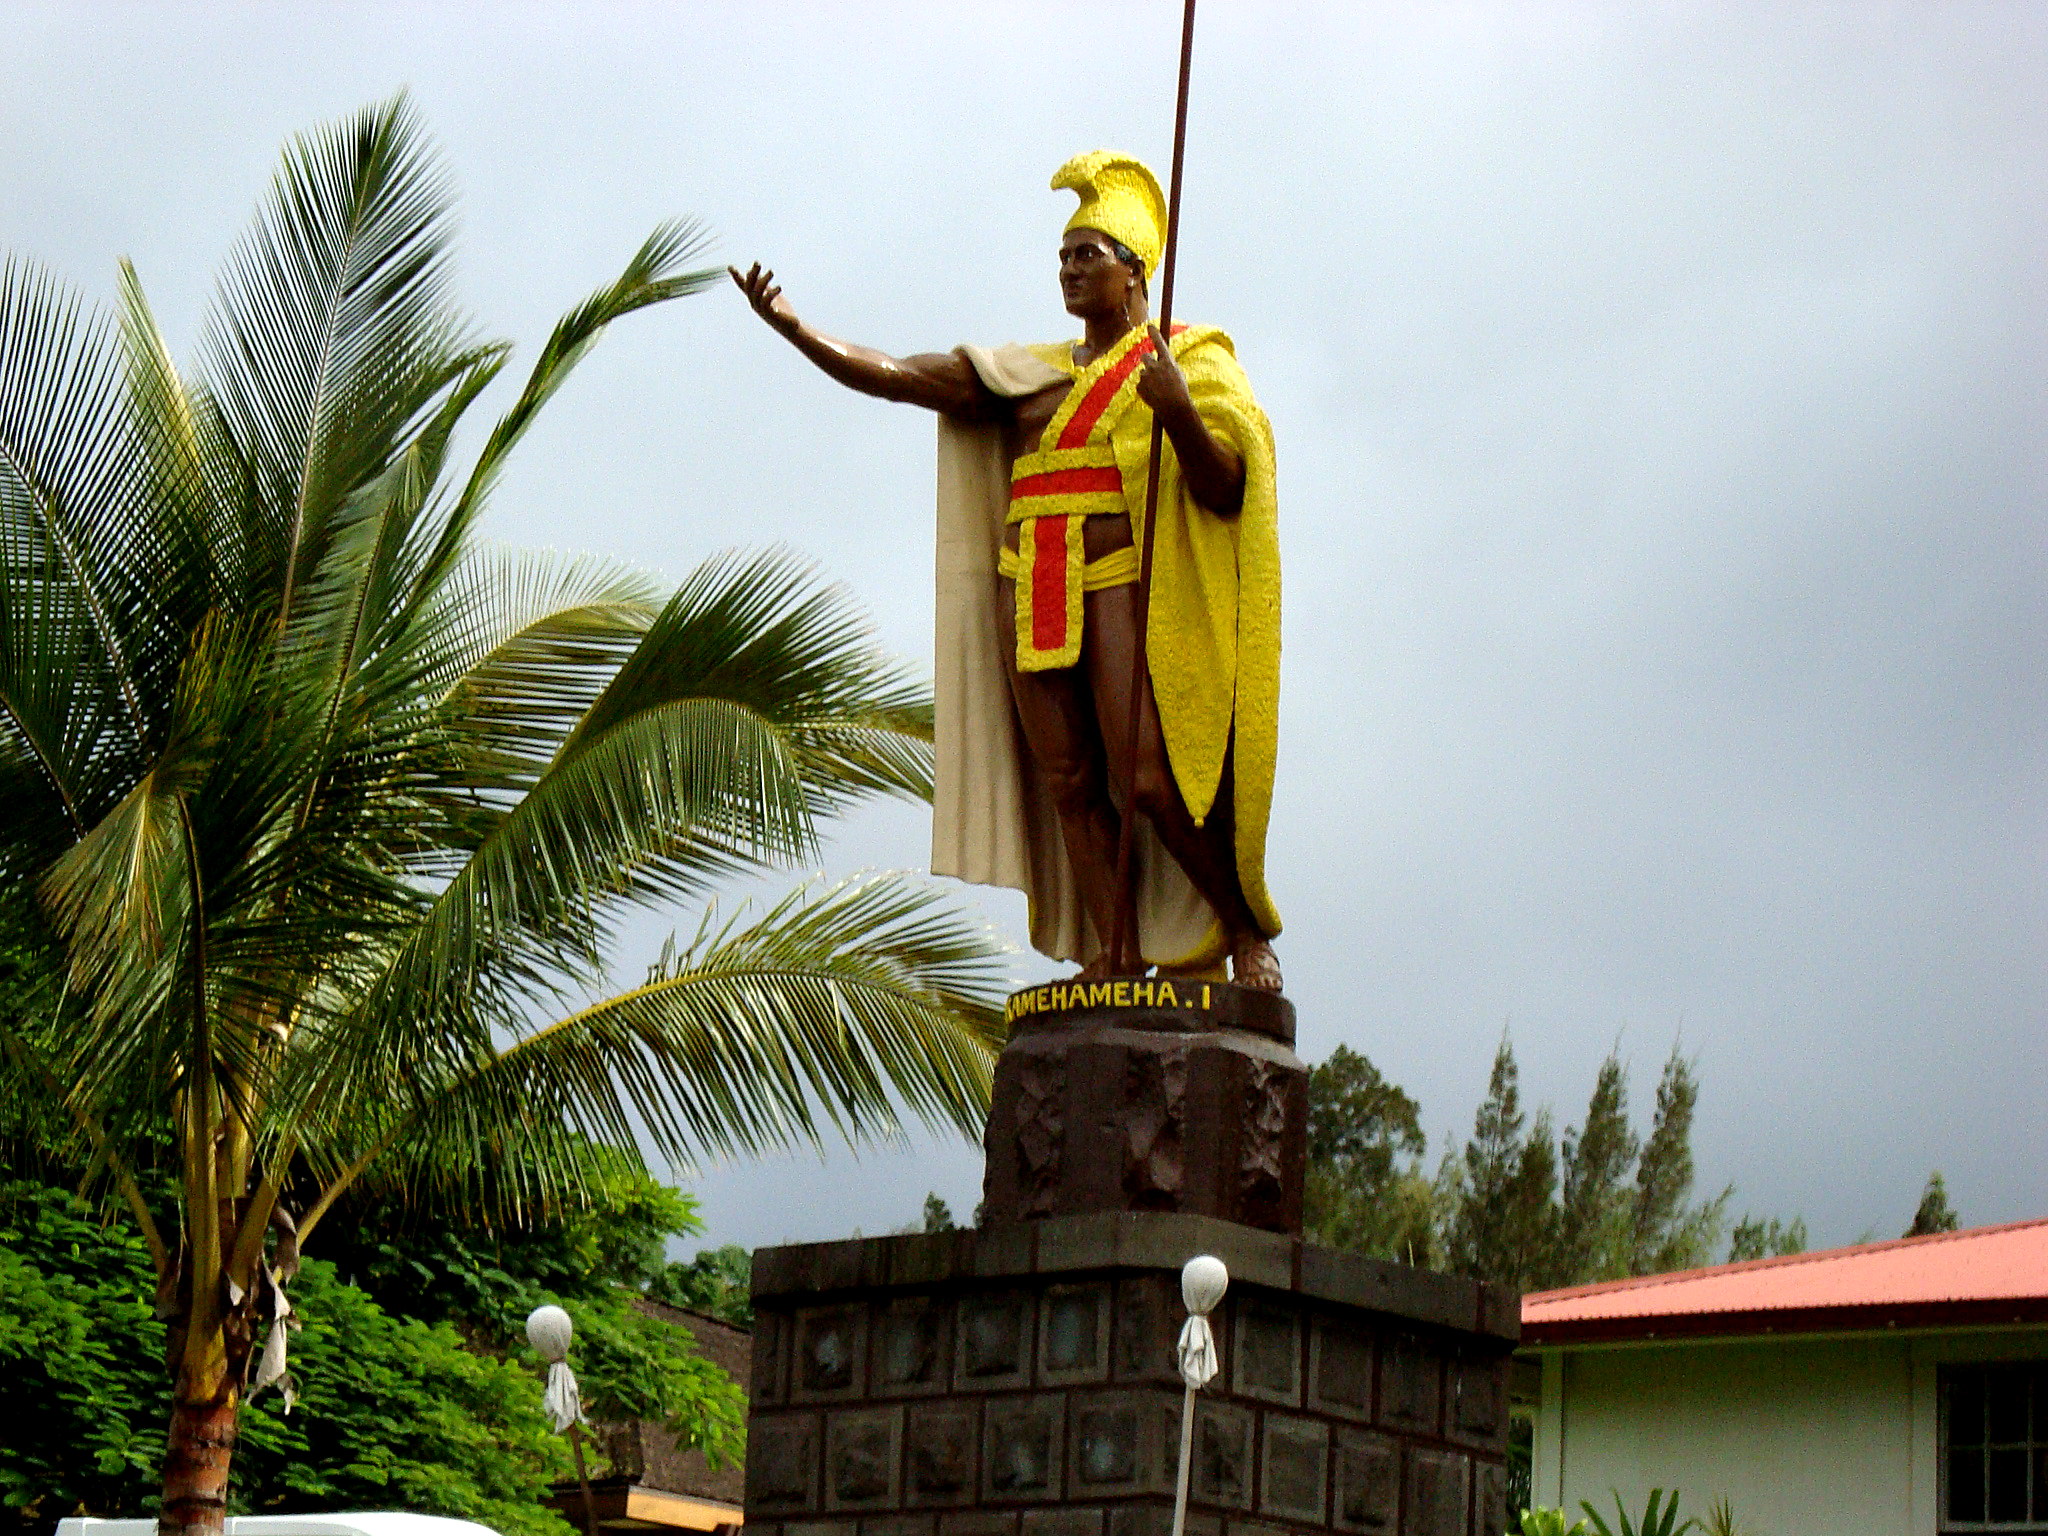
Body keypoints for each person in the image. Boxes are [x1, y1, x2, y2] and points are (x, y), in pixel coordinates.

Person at [732, 151, 1282, 990]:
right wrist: (799, 332)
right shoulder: (1026, 374)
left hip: (1117, 578)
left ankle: (1241, 932)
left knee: (1144, 779)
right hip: (1028, 580)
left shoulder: (1183, 362)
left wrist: (1177, 417)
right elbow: (901, 379)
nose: (1066, 269)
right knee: (1067, 780)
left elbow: (1227, 490)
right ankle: (1115, 951)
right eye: (1062, 256)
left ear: (1134, 275)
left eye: (1086, 254)